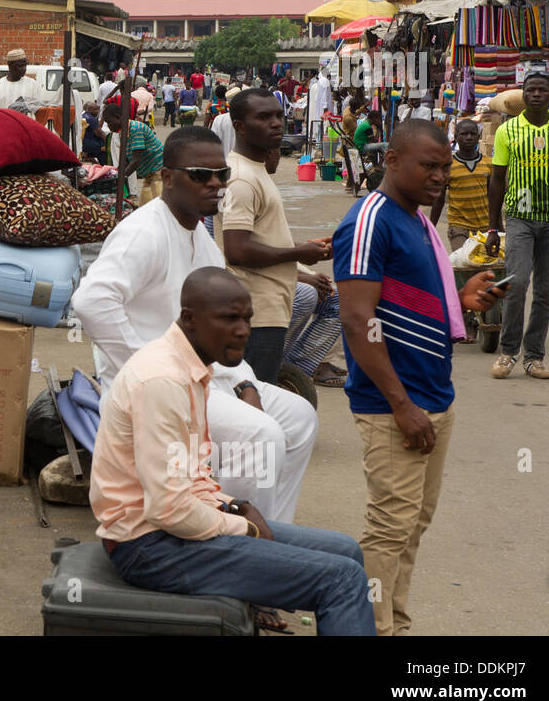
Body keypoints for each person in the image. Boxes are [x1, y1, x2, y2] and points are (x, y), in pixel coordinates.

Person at [92, 266, 375, 636]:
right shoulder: (162, 381)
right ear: (189, 319)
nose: (243, 330)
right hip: (149, 547)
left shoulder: (189, 370)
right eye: (229, 319)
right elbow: (168, 508)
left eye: (246, 319)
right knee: (342, 580)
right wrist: (244, 527)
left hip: (173, 530)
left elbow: (186, 480)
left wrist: (229, 506)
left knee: (346, 552)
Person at [72, 126, 318, 531]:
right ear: (168, 178)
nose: (215, 184)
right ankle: (227, 540)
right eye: (200, 175)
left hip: (207, 377)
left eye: (222, 175)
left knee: (298, 418)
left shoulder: (199, 237)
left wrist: (245, 383)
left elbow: (223, 324)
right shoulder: (143, 231)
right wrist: (147, 371)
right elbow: (91, 301)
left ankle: (272, 532)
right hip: (159, 386)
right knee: (259, 435)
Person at [334, 120, 504, 635]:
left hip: (433, 395)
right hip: (394, 405)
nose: (439, 176)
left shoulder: (416, 221)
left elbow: (409, 298)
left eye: (445, 167)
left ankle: (394, 621)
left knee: (411, 525)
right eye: (428, 165)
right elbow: (358, 318)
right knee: (389, 528)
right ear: (391, 160)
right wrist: (401, 405)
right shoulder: (370, 220)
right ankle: (370, 627)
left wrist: (464, 295)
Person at [217, 87, 333, 382]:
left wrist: (304, 248)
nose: (276, 123)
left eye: (279, 116)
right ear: (240, 127)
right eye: (264, 117)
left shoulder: (255, 171)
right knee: (250, 406)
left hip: (270, 307)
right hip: (256, 311)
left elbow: (258, 238)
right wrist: (297, 253)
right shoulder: (241, 178)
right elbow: (237, 250)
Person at [485, 70, 549, 380]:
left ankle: (534, 357)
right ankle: (509, 352)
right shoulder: (507, 131)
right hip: (520, 217)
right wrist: (492, 226)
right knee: (517, 281)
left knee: (544, 292)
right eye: (531, 90)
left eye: (541, 90)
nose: (536, 94)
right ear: (523, 96)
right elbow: (497, 179)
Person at [431, 118, 491, 252]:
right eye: (464, 134)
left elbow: (493, 199)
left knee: (484, 267)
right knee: (464, 262)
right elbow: (439, 200)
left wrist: (496, 229)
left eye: (472, 134)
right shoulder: (448, 165)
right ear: (456, 137)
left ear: (478, 136)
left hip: (484, 227)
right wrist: (430, 229)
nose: (469, 137)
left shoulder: (488, 163)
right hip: (459, 227)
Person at [100, 103, 163, 205]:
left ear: (117, 117)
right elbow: (125, 159)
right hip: (150, 174)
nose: (108, 126)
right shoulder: (123, 132)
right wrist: (115, 173)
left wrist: (120, 178)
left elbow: (136, 161)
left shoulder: (135, 129)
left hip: (159, 172)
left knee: (155, 207)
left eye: (109, 122)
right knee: (145, 206)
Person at [81, 100, 108, 164]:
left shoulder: (84, 115)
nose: (98, 111)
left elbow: (97, 127)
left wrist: (103, 115)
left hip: (84, 142)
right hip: (89, 144)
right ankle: (104, 166)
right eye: (96, 109)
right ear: (89, 110)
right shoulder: (91, 119)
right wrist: (108, 143)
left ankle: (88, 158)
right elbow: (100, 134)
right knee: (104, 151)